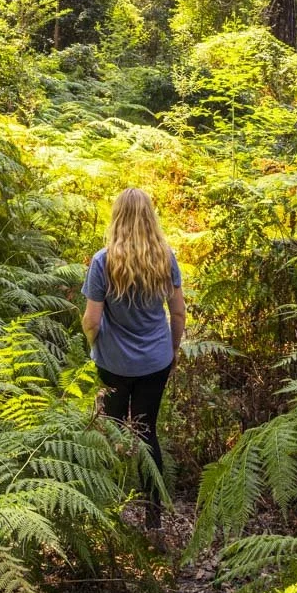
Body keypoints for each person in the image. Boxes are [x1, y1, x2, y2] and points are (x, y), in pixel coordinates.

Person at [80, 187, 186, 529]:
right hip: (155, 362)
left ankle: (110, 512)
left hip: (113, 364)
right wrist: (172, 350)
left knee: (111, 432)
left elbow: (92, 321)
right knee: (146, 431)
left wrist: (94, 348)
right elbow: (178, 312)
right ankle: (153, 517)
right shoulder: (165, 257)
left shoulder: (103, 261)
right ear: (150, 218)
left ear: (117, 217)